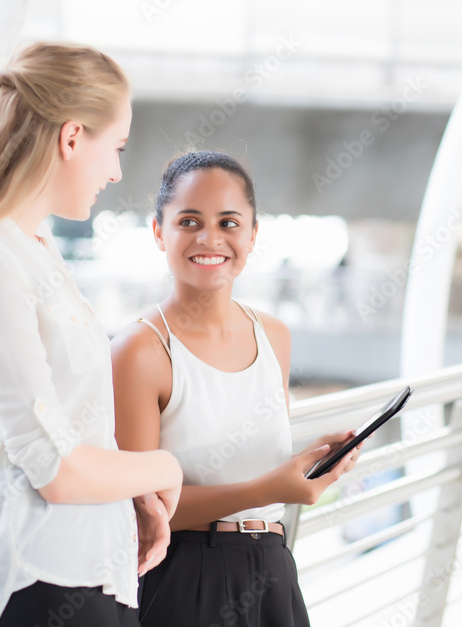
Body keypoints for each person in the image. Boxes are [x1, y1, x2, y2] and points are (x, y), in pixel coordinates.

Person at [0, 42, 183, 627]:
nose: (117, 171)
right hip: (33, 591)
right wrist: (163, 469)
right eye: (118, 147)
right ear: (72, 137)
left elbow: (68, 437)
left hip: (85, 582)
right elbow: (53, 470)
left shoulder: (31, 252)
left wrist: (127, 494)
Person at [111, 150, 361, 627]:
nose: (210, 239)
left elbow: (252, 461)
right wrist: (271, 487)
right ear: (158, 231)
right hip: (185, 578)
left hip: (272, 566)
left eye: (229, 222)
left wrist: (310, 464)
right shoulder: (139, 350)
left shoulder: (275, 336)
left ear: (253, 234)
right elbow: (137, 510)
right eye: (189, 221)